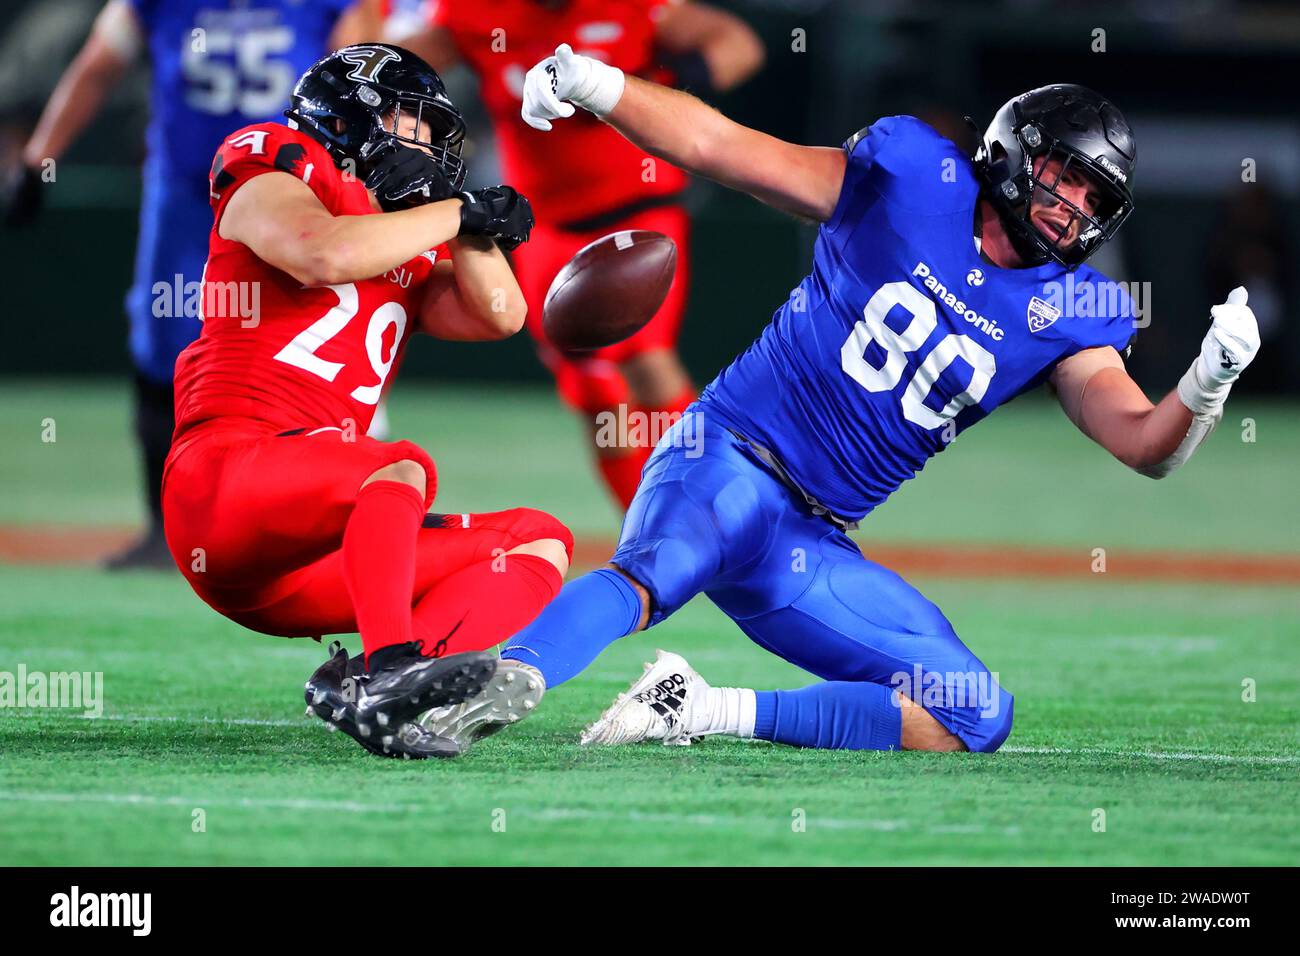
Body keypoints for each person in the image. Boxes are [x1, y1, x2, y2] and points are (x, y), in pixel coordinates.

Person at [421, 59, 1260, 755]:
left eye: (1093, 196)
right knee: (655, 575)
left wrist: (1207, 383)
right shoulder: (908, 180)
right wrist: (597, 84)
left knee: (974, 715)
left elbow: (1146, 443)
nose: (1072, 205)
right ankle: (494, 682)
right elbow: (720, 143)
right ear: (1012, 151)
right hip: (731, 453)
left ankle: (696, 708)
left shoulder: (1074, 311)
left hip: (810, 540)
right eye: (1063, 174)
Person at [161, 43, 572, 759]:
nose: (427, 143)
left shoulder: (407, 234)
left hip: (310, 549)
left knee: (536, 539)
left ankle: (372, 692)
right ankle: (392, 670)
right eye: (413, 121)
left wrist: (467, 223)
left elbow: (501, 314)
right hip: (226, 480)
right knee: (399, 464)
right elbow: (320, 251)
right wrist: (454, 215)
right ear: (352, 114)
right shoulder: (277, 157)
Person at [2, 0, 384, 569]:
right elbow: (98, 66)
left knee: (308, 349)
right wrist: (38, 161)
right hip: (187, 192)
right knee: (162, 349)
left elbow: (359, 74)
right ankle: (168, 531)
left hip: (293, 188)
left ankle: (321, 524)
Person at [388, 0, 764, 508]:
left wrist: (660, 83)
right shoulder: (474, 13)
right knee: (594, 391)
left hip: (638, 206)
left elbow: (739, 46)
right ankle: (644, 524)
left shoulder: (636, 7)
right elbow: (392, 68)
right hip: (547, 224)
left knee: (647, 360)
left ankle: (702, 509)